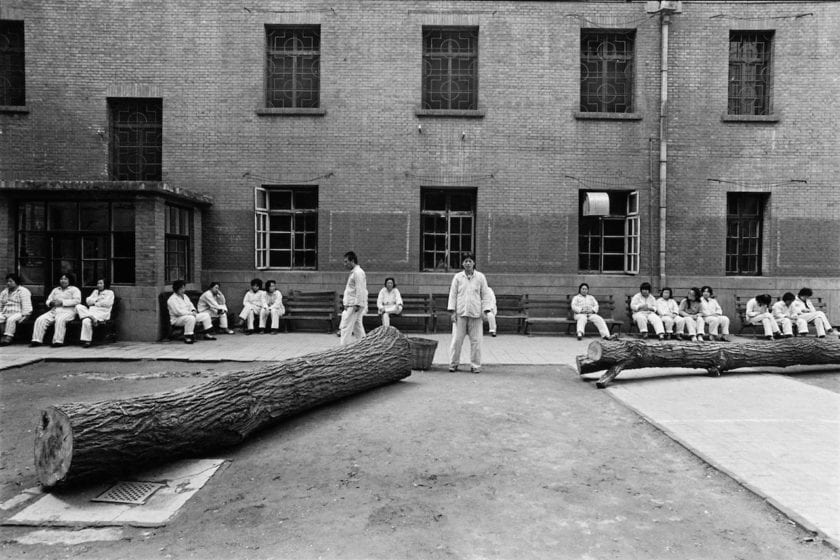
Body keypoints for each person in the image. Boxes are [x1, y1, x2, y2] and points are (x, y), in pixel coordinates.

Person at [447, 254, 491, 374]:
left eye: (470, 261)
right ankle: (453, 363)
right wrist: (452, 312)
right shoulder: (458, 277)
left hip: (476, 314)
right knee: (456, 340)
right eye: (465, 261)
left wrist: (485, 311)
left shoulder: (480, 277)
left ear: (474, 263)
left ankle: (475, 365)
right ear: (462, 264)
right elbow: (453, 295)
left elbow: (485, 295)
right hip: (460, 313)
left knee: (476, 342)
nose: (467, 263)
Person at [31, 273, 82, 347]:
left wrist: (62, 302)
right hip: (54, 310)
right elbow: (48, 300)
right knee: (40, 319)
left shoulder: (74, 289)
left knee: (60, 319)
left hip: (68, 311)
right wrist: (51, 303)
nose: (63, 281)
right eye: (61, 279)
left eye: (65, 279)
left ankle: (58, 341)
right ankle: (36, 340)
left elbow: (77, 301)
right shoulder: (55, 290)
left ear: (70, 280)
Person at [167, 279, 215, 344]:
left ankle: (207, 334)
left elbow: (190, 305)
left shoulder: (185, 296)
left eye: (184, 288)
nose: (183, 290)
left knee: (205, 315)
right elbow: (178, 312)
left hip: (190, 315)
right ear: (176, 289)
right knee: (190, 318)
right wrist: (190, 314)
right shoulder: (171, 300)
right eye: (181, 289)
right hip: (178, 319)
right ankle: (188, 337)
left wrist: (193, 310)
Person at [75, 278, 115, 347]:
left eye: (101, 283)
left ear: (105, 284)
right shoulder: (95, 291)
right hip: (92, 312)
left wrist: (94, 303)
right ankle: (92, 318)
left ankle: (87, 341)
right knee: (78, 307)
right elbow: (88, 301)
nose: (98, 285)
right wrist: (97, 300)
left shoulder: (110, 292)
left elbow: (107, 303)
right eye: (98, 283)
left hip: (102, 313)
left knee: (86, 320)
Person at [339, 251, 367, 345]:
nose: (345, 264)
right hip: (353, 304)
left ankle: (343, 349)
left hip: (354, 305)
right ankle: (365, 346)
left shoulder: (358, 273)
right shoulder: (355, 272)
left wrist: (357, 304)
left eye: (346, 261)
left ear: (352, 261)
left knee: (346, 327)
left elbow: (360, 289)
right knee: (357, 327)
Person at [0, 273, 32, 345]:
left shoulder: (23, 291)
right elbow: (0, 304)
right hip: (6, 312)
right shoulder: (4, 292)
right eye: (7, 281)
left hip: (18, 312)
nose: (8, 283)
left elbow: (26, 304)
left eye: (11, 281)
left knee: (11, 319)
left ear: (16, 282)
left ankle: (8, 338)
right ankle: (2, 335)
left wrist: (26, 315)